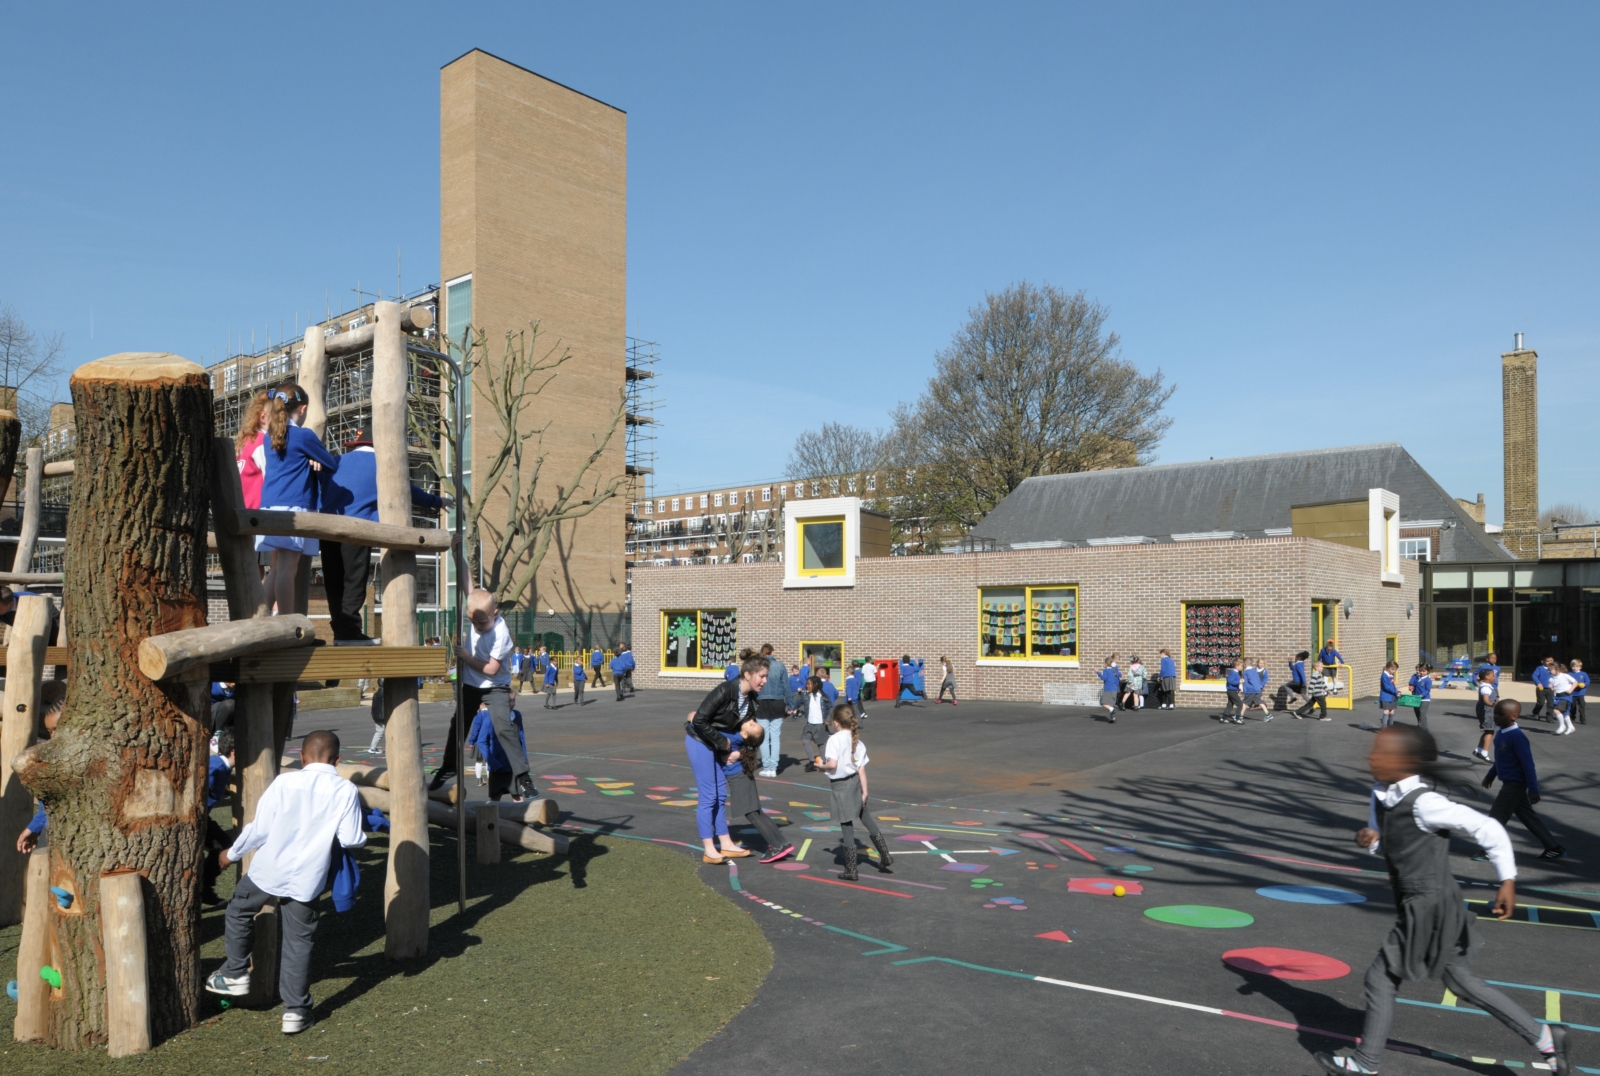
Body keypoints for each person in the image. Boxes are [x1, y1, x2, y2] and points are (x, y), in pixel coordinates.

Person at [1312, 725, 1570, 1075]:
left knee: (1380, 978)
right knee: (1462, 981)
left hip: (1429, 905)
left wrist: (1507, 881)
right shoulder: (1382, 795)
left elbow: (1489, 829)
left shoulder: (1426, 803)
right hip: (1422, 903)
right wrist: (1372, 842)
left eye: (1381, 752)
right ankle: (1546, 1039)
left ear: (1408, 762)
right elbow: (1396, 847)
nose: (1371, 757)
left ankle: (1366, 1063)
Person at [206, 731, 365, 1035]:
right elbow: (352, 839)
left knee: (238, 910)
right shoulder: (345, 790)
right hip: (309, 876)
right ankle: (295, 1010)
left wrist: (231, 854)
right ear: (338, 760)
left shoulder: (284, 782)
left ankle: (235, 970)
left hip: (269, 868)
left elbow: (259, 829)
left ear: (303, 758)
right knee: (299, 942)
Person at [318, 427, 449, 643]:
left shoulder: (335, 461)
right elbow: (407, 490)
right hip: (357, 530)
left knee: (334, 582)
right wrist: (436, 501)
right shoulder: (384, 466)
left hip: (327, 528)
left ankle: (340, 630)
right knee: (354, 582)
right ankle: (349, 632)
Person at [430, 588, 535, 798]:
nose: (478, 627)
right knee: (458, 724)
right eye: (474, 622)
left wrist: (467, 658)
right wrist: (457, 557)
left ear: (494, 614)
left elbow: (491, 669)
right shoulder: (479, 612)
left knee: (503, 727)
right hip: (471, 685)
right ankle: (449, 766)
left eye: (482, 623)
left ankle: (523, 776)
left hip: (495, 686)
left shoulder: (501, 633)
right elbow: (467, 582)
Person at [256, 384, 338, 617]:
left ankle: (260, 619)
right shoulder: (304, 436)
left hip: (269, 505)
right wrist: (316, 461)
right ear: (302, 410)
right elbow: (331, 464)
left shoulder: (270, 437)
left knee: (276, 569)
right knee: (288, 569)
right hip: (294, 507)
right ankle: (288, 621)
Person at [685, 652, 767, 863]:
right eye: (761, 676)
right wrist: (724, 745)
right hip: (700, 742)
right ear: (747, 674)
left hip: (716, 745)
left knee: (720, 795)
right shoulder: (725, 690)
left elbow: (748, 732)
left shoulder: (751, 701)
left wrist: (736, 752)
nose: (764, 681)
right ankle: (709, 849)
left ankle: (727, 843)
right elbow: (700, 720)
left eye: (766, 676)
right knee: (708, 797)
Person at [1479, 699, 1564, 860]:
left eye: (1500, 714)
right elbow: (1501, 760)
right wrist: (1491, 775)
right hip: (1509, 782)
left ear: (1514, 716)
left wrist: (1533, 789)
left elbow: (1528, 764)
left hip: (1515, 784)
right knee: (1528, 817)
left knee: (1497, 816)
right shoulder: (1501, 734)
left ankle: (1490, 850)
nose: (1496, 716)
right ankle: (1553, 847)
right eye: (1495, 713)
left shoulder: (1517, 737)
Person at [819, 703, 891, 881]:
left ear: (836, 722)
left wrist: (821, 766)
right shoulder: (856, 740)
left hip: (841, 786)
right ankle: (885, 854)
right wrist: (865, 791)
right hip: (856, 784)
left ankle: (851, 869)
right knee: (866, 819)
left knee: (846, 826)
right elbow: (861, 769)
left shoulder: (834, 740)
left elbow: (832, 765)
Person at [722, 725, 795, 864]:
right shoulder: (744, 739)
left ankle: (775, 846)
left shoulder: (732, 736)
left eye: (751, 724)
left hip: (737, 777)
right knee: (757, 811)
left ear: (744, 734)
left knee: (751, 813)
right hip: (743, 774)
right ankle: (782, 842)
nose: (751, 721)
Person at [13, 686, 66, 855]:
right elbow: (49, 805)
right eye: (50, 731)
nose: (53, 736)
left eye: (57, 728)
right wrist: (35, 826)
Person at [469, 699, 527, 801]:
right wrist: (472, 740)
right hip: (497, 761)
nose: (512, 703)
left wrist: (524, 760)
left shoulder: (517, 715)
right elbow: (479, 734)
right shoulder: (488, 717)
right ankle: (481, 778)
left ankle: (480, 779)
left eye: (513, 700)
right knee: (495, 796)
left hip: (513, 764)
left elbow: (521, 738)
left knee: (517, 794)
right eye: (509, 701)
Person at [755, 643, 788, 777]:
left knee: (763, 737)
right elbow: (786, 686)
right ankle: (773, 768)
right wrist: (791, 705)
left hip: (762, 702)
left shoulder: (758, 666)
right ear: (772, 652)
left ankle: (767, 766)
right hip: (778, 702)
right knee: (775, 737)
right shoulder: (780, 666)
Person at [235, 389, 271, 512]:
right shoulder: (262, 443)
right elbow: (271, 479)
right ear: (263, 417)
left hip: (244, 512)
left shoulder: (245, 441)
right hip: (258, 514)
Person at [800, 675, 830, 770]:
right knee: (805, 741)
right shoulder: (807, 696)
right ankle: (812, 762)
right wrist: (791, 708)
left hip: (819, 724)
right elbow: (798, 703)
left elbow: (830, 708)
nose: (807, 686)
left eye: (809, 684)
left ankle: (824, 764)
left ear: (816, 684)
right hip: (809, 723)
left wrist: (828, 719)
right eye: (806, 684)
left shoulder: (824, 697)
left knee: (820, 744)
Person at [1472, 667, 1499, 763]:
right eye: (1493, 675)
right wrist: (1492, 704)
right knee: (1490, 731)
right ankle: (1484, 753)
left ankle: (1478, 750)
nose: (1494, 677)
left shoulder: (1486, 686)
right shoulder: (1486, 688)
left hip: (1487, 710)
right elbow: (1486, 699)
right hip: (1487, 711)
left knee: (1488, 730)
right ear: (1487, 677)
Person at [1241, 658, 1272, 722]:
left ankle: (1240, 716)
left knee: (1244, 703)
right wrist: (1260, 688)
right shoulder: (1254, 671)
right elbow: (1258, 680)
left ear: (1245, 664)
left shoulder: (1245, 672)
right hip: (1257, 689)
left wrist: (1244, 692)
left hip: (1250, 690)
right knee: (1260, 702)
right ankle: (1267, 714)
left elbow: (1245, 683)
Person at [1549, 662, 1577, 736]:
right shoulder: (1551, 678)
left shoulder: (1565, 676)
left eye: (1551, 669)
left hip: (1566, 696)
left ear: (1557, 669)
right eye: (1549, 669)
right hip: (1558, 696)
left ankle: (1562, 726)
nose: (1550, 671)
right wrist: (1552, 687)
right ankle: (1571, 727)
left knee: (1556, 710)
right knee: (1564, 713)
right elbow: (1554, 687)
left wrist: (1571, 690)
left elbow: (1575, 682)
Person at [1406, 663, 1432, 730]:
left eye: (1423, 671)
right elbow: (1414, 685)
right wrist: (1412, 688)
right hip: (1416, 699)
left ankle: (1420, 730)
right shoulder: (1417, 678)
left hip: (1424, 699)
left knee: (1422, 715)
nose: (1421, 672)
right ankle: (1425, 729)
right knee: (1418, 714)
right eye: (1420, 671)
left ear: (1427, 671)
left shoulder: (1428, 680)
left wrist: (1422, 695)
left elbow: (1427, 690)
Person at [1098, 656, 1121, 723]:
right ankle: (1112, 718)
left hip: (1108, 689)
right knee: (1110, 704)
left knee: (1103, 703)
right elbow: (1117, 680)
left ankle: (1112, 709)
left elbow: (1103, 678)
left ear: (1106, 663)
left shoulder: (1106, 670)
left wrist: (1098, 673)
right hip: (1114, 689)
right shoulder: (1115, 671)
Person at [1378, 661, 1400, 729]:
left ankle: (1390, 728)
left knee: (1392, 711)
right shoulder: (1384, 676)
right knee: (1386, 711)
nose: (1394, 671)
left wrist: (1397, 691)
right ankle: (1384, 728)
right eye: (1392, 669)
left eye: (1395, 669)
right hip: (1386, 696)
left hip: (1392, 696)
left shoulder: (1391, 675)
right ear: (1387, 668)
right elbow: (1387, 687)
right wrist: (1395, 692)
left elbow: (1392, 685)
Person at [1531, 656, 1554, 721]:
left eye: (1551, 660)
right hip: (1541, 688)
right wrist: (1538, 683)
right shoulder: (1540, 668)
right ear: (1542, 661)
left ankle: (1549, 716)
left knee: (1550, 703)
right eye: (1547, 661)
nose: (1550, 662)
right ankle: (1536, 713)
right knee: (1541, 702)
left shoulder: (1553, 669)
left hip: (1550, 689)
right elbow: (1534, 676)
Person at [1221, 658, 1244, 724]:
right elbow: (1230, 681)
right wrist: (1239, 681)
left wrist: (1238, 688)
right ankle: (1237, 718)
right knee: (1240, 704)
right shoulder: (1233, 672)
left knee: (1230, 705)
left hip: (1232, 690)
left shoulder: (1236, 672)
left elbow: (1233, 682)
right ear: (1237, 666)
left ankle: (1223, 718)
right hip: (1231, 691)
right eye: (1241, 666)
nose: (1242, 667)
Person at [1571, 658, 1588, 726]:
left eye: (1577, 666)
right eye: (1573, 666)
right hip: (1572, 693)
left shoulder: (1583, 674)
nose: (1575, 668)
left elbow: (1587, 681)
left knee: (1582, 706)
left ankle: (1582, 718)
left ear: (1580, 667)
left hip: (1581, 693)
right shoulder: (1570, 674)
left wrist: (1584, 684)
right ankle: (1572, 717)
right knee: (1572, 706)